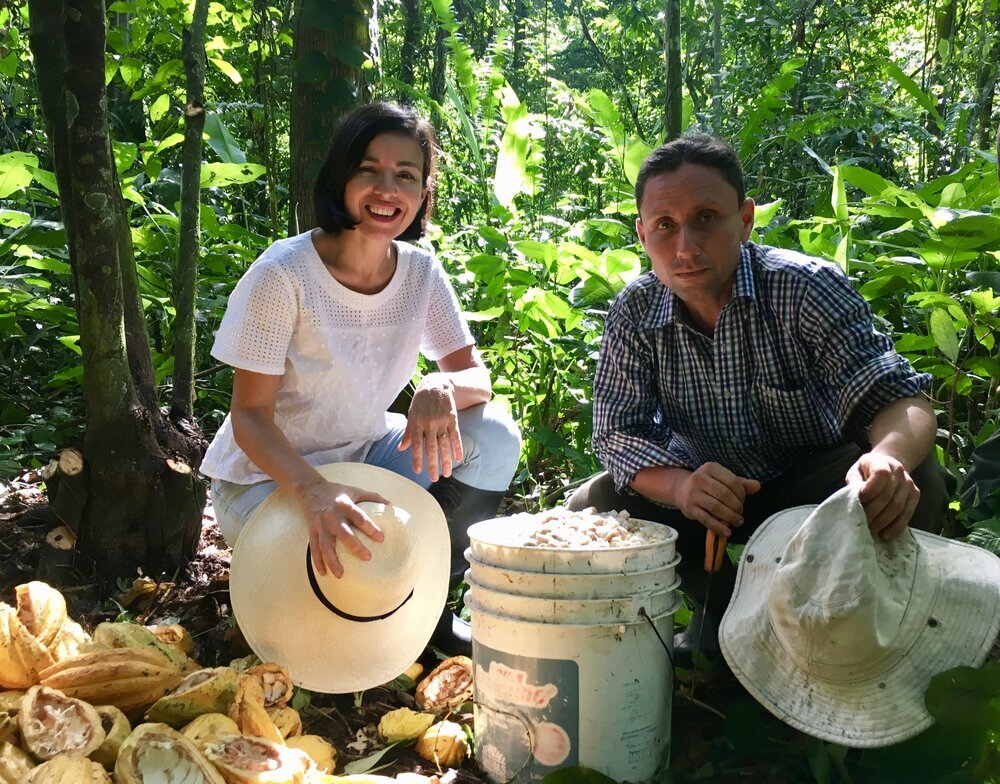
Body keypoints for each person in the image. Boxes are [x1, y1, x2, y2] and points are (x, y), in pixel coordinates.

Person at [567, 132, 950, 638]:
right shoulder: (636, 311)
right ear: (643, 235)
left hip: (816, 490)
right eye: (665, 226)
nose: (686, 247)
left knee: (915, 475)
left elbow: (899, 398)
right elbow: (617, 434)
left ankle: (860, 619)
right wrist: (681, 486)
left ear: (744, 220)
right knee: (593, 504)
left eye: (706, 218)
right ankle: (722, 607)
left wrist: (888, 458)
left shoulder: (805, 287)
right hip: (707, 495)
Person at [201, 102, 521, 590]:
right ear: (340, 178)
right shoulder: (283, 273)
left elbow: (477, 379)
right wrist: (313, 490)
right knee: (349, 573)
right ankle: (376, 581)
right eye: (369, 170)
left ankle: (433, 594)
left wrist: (440, 384)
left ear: (422, 191)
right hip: (266, 479)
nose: (387, 190)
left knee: (495, 435)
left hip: (367, 453)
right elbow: (249, 416)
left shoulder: (421, 273)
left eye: (406, 175)